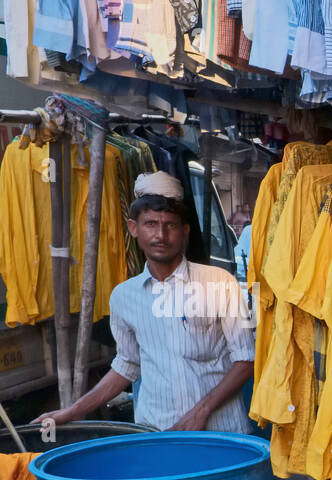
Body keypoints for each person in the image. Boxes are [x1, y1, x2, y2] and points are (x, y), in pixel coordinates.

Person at [34, 172, 255, 433]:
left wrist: (201, 411)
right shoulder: (123, 297)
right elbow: (127, 365)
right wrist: (71, 411)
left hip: (221, 433)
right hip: (158, 433)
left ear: (184, 231)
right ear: (133, 229)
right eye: (150, 224)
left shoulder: (219, 283)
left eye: (170, 225)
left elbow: (246, 360)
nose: (160, 234)